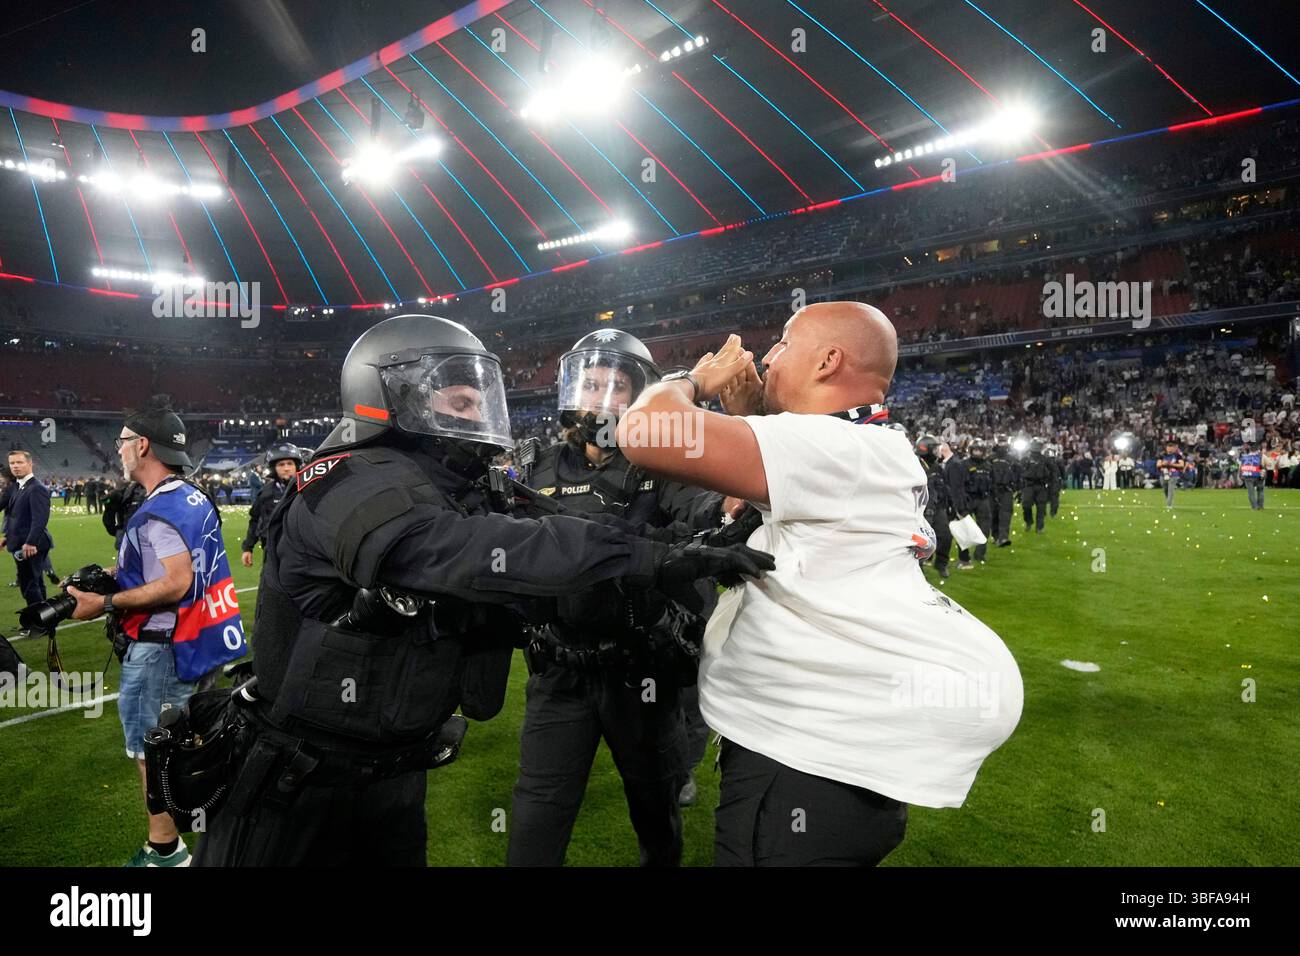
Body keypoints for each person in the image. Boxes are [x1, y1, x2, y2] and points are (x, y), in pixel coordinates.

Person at [192, 314, 770, 867]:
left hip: (391, 769)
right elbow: (475, 549)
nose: (478, 414)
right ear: (394, 395)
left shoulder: (454, 483)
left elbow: (570, 528)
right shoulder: (347, 477)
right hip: (298, 782)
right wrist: (655, 557)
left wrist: (677, 549)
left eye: (480, 398)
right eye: (460, 401)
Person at [617, 303, 1022, 867]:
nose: (768, 357)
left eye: (783, 343)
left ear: (829, 360)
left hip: (804, 766)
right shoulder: (865, 442)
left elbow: (647, 431)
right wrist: (752, 409)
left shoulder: (840, 450)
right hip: (833, 754)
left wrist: (691, 380)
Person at [507, 329, 725, 867]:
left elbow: (704, 510)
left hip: (641, 669)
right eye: (590, 384)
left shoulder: (663, 464)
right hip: (557, 670)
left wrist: (724, 508)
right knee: (537, 813)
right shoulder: (535, 465)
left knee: (656, 810)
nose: (600, 398)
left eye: (616, 386)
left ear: (640, 397)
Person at [65, 405, 247, 867]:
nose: (120, 449)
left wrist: (101, 603)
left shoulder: (158, 509)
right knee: (187, 746)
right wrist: (115, 573)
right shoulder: (192, 496)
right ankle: (184, 844)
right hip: (198, 640)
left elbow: (176, 582)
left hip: (165, 648)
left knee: (156, 753)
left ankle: (168, 853)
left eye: (123, 440)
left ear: (143, 445)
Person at [3, 451, 54, 639]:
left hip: (32, 544)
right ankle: (45, 621)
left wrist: (30, 542)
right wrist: (7, 538)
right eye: (12, 463)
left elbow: (40, 518)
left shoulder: (36, 488)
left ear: (30, 464)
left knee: (29, 584)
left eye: (19, 462)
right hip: (23, 542)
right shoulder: (19, 486)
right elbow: (18, 519)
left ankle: (39, 624)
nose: (15, 466)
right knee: (35, 582)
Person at [241, 444, 304, 568]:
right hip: (272, 553)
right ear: (274, 468)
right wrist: (248, 548)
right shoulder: (265, 493)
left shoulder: (308, 489)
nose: (286, 468)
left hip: (302, 555)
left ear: (297, 466)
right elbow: (254, 520)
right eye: (281, 465)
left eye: (290, 463)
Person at [914, 435, 953, 579]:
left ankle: (941, 564)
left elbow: (944, 487)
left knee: (946, 537)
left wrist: (949, 505)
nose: (938, 451)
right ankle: (918, 568)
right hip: (920, 510)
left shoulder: (937, 466)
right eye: (935, 448)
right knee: (920, 541)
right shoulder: (914, 465)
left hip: (938, 508)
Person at [958, 439, 993, 567]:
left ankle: (980, 554)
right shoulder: (963, 464)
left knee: (984, 527)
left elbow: (992, 483)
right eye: (975, 449)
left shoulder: (988, 465)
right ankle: (964, 557)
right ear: (971, 450)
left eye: (980, 450)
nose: (977, 452)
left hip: (983, 499)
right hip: (967, 499)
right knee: (964, 528)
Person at [989, 437, 1016, 547]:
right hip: (992, 490)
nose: (1002, 444)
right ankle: (996, 536)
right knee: (993, 514)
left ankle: (1003, 537)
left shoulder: (1012, 459)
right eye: (1001, 441)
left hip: (1006, 490)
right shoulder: (990, 458)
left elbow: (1018, 473)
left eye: (1004, 442)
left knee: (1005, 514)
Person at [1020, 440, 1051, 533]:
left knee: (1041, 508)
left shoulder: (1045, 459)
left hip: (1041, 485)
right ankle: (1028, 522)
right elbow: (1020, 471)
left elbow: (1051, 472)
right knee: (1026, 505)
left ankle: (1039, 527)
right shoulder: (1026, 459)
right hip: (1029, 485)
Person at [1157, 440, 1185, 508]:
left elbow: (1181, 465)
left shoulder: (1178, 456)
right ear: (1166, 448)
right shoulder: (1162, 455)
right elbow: (1158, 464)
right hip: (1163, 474)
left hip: (1173, 474)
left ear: (1174, 448)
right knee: (1165, 489)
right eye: (1168, 447)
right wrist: (1164, 464)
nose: (1170, 448)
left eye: (1171, 447)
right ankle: (1169, 501)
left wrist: (1171, 464)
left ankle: (1169, 505)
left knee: (1171, 489)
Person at [1240, 440, 1264, 510]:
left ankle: (1254, 507)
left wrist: (1241, 475)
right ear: (1257, 449)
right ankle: (1261, 506)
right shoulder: (1260, 456)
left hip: (1248, 476)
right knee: (1260, 490)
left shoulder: (1244, 457)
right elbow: (1266, 464)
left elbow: (1241, 467)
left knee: (1251, 492)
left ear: (1250, 450)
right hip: (1258, 476)